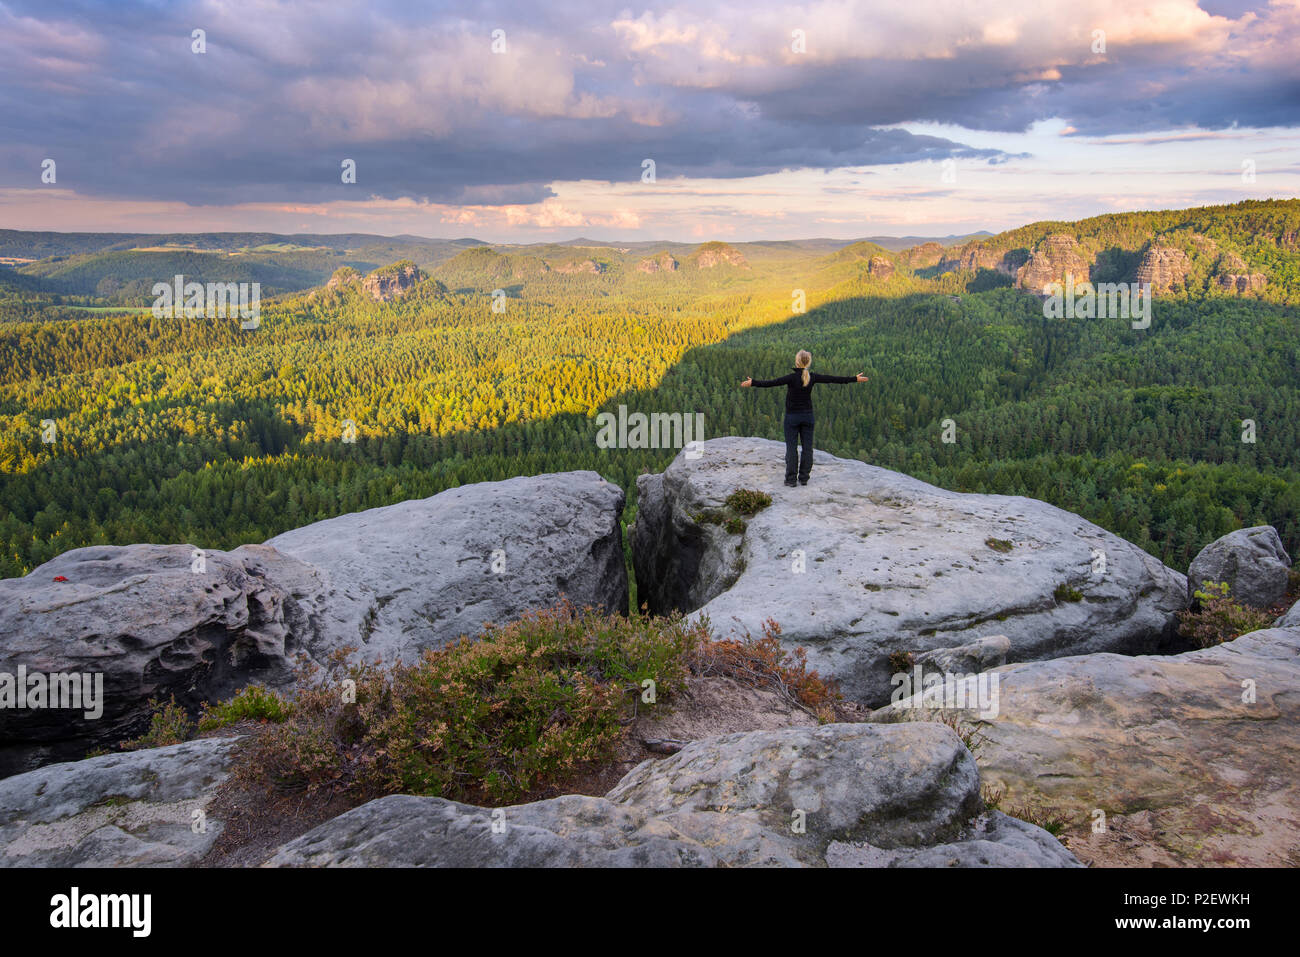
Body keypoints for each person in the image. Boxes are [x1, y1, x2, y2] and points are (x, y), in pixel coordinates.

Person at [741, 350, 868, 487]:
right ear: (808, 363)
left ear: (797, 362)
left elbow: (771, 383)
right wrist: (854, 378)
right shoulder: (812, 377)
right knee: (807, 448)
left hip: (792, 417)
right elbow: (833, 379)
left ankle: (791, 479)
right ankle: (804, 478)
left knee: (791, 448)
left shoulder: (791, 378)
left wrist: (753, 382)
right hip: (808, 416)